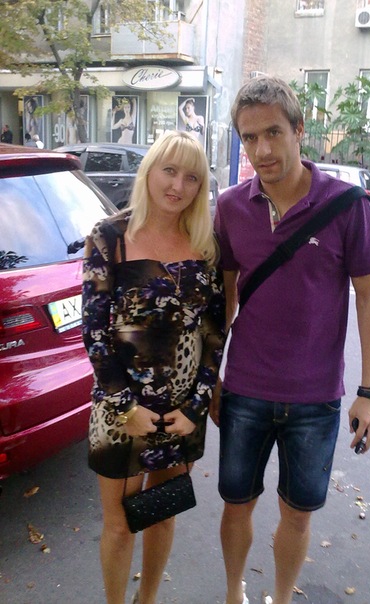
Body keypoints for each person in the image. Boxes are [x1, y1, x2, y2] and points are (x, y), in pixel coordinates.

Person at [211, 75, 370, 604]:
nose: (262, 150)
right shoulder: (231, 207)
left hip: (315, 397)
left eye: (273, 133)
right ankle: (234, 593)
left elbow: (369, 297)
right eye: (249, 137)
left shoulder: (346, 204)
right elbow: (226, 298)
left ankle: (282, 598)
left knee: (297, 514)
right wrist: (210, 376)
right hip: (244, 391)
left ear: (298, 131)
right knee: (236, 504)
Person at [82, 130, 225, 604]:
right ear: (149, 171)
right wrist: (125, 407)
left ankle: (148, 600)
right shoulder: (110, 236)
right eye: (169, 170)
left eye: (192, 177)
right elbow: (94, 332)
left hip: (180, 414)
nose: (178, 185)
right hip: (120, 414)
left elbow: (214, 335)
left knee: (161, 515)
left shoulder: (206, 245)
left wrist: (196, 408)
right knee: (120, 525)